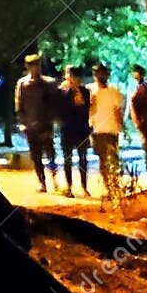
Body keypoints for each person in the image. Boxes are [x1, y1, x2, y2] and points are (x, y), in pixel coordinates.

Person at [15, 55, 59, 192]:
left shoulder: (49, 83)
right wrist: (23, 123)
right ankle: (42, 181)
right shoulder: (22, 84)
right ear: (27, 67)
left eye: (37, 65)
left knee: (51, 153)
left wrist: (52, 120)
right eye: (32, 65)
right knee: (36, 155)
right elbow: (19, 105)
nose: (35, 68)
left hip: (46, 124)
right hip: (30, 126)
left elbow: (54, 104)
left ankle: (54, 177)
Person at [89, 64, 126, 196]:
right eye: (98, 74)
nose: (100, 76)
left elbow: (118, 112)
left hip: (112, 130)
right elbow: (89, 111)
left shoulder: (114, 91)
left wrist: (123, 127)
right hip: (97, 130)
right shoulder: (90, 91)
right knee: (103, 160)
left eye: (103, 73)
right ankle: (108, 187)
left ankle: (115, 185)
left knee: (113, 159)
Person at [57, 66, 93, 197]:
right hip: (67, 130)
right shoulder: (63, 92)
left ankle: (84, 186)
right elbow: (60, 110)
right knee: (68, 159)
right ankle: (69, 187)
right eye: (67, 75)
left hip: (82, 130)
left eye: (70, 75)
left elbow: (88, 109)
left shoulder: (85, 92)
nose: (68, 78)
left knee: (83, 159)